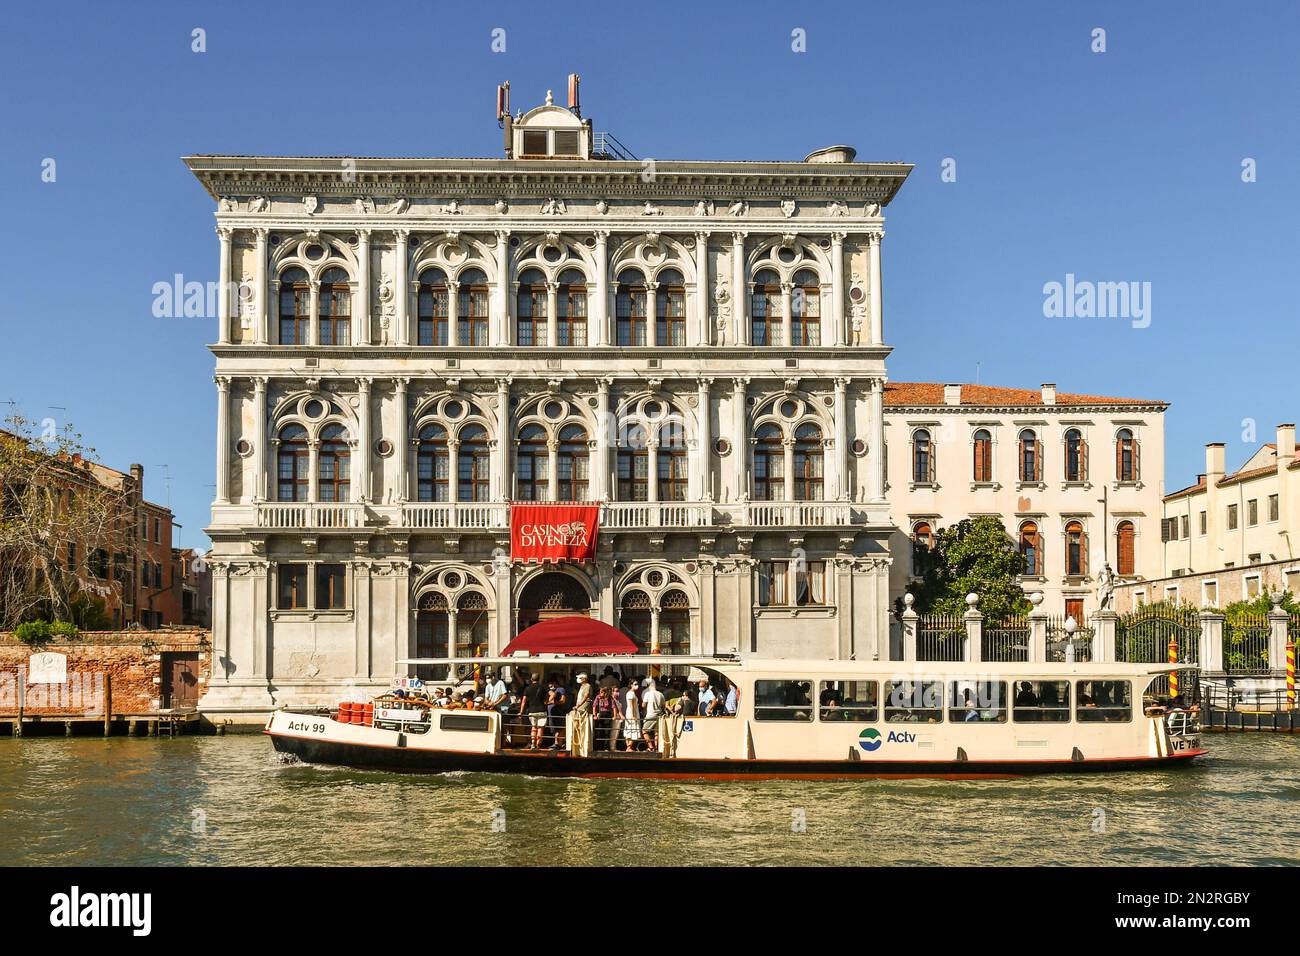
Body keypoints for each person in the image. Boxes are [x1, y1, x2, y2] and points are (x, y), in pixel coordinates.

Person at [519, 674, 548, 750]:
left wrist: (521, 712)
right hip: (541, 710)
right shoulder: (543, 688)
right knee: (540, 728)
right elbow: (546, 700)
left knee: (533, 727)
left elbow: (523, 701)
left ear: (531, 679)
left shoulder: (527, 688)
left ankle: (532, 744)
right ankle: (538, 744)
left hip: (531, 711)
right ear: (539, 679)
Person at [641, 678, 665, 751]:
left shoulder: (647, 694)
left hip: (650, 715)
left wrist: (642, 703)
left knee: (644, 731)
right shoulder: (661, 694)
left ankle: (651, 747)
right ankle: (657, 748)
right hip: (659, 716)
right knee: (656, 732)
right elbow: (663, 706)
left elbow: (643, 705)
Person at [593, 685, 616, 752]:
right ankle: (599, 747)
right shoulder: (598, 697)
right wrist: (595, 715)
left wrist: (614, 716)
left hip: (607, 714)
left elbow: (614, 707)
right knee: (599, 731)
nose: (600, 693)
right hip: (601, 714)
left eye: (602, 692)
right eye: (600, 692)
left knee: (607, 732)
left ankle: (606, 747)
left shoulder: (610, 698)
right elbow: (594, 706)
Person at [622, 680, 642, 752]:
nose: (637, 685)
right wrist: (634, 715)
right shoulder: (631, 693)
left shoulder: (632, 693)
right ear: (631, 685)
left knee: (630, 729)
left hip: (631, 712)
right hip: (632, 713)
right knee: (633, 728)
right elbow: (631, 706)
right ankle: (629, 747)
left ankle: (628, 747)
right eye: (635, 684)